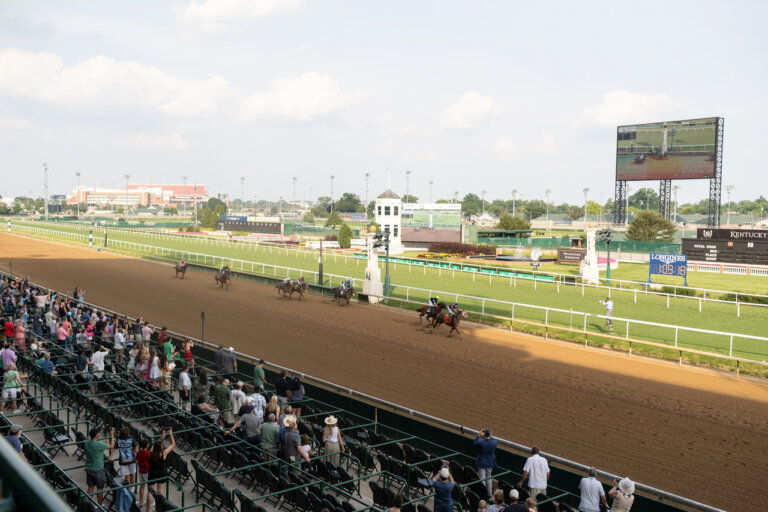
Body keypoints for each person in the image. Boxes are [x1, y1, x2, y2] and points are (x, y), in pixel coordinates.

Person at [85, 427, 115, 507]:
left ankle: (88, 504)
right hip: (98, 469)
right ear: (97, 435)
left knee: (90, 486)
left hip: (89, 468)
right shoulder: (99, 445)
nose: (99, 433)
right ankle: (100, 505)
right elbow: (112, 445)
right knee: (100, 488)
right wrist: (112, 435)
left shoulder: (86, 442)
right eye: (98, 432)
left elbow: (94, 443)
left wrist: (103, 443)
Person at [146, 429, 175, 511]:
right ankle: (159, 508)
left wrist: (161, 437)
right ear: (161, 447)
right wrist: (171, 434)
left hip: (152, 473)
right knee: (160, 491)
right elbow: (173, 444)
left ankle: (148, 510)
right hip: (161, 474)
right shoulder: (164, 453)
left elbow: (155, 444)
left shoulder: (151, 452)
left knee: (150, 491)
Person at [474, 428, 497, 498]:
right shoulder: (495, 442)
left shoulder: (481, 442)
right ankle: (489, 494)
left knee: (482, 478)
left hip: (482, 462)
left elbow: (474, 443)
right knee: (488, 477)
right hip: (490, 462)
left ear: (484, 434)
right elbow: (491, 439)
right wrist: (489, 435)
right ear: (490, 434)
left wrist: (479, 435)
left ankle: (483, 493)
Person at [136, 437, 151, 507]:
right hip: (147, 472)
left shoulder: (139, 452)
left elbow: (136, 462)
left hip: (141, 471)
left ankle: (141, 501)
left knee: (142, 486)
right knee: (150, 488)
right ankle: (149, 503)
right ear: (147, 445)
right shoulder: (148, 453)